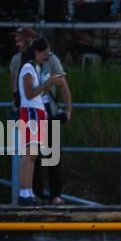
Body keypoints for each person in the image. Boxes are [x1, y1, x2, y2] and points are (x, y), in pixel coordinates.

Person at [10, 27, 72, 203]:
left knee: (37, 155)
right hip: (31, 112)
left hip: (40, 112)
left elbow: (62, 86)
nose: (47, 56)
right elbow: (28, 93)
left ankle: (33, 193)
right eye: (45, 53)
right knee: (29, 156)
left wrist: (67, 109)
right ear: (37, 51)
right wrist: (49, 82)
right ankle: (27, 192)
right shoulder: (27, 67)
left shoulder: (38, 65)